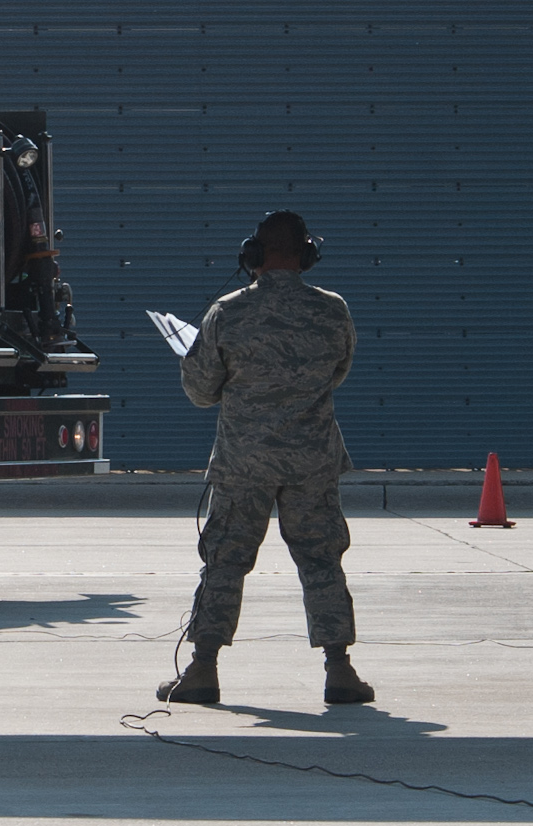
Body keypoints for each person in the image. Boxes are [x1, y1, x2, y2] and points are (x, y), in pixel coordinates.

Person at [157, 209, 374, 706]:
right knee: (322, 561)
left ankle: (203, 670)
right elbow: (338, 371)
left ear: (253, 256)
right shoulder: (332, 310)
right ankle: (339, 671)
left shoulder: (227, 313)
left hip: (243, 463)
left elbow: (201, 392)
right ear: (306, 255)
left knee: (225, 562)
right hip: (311, 462)